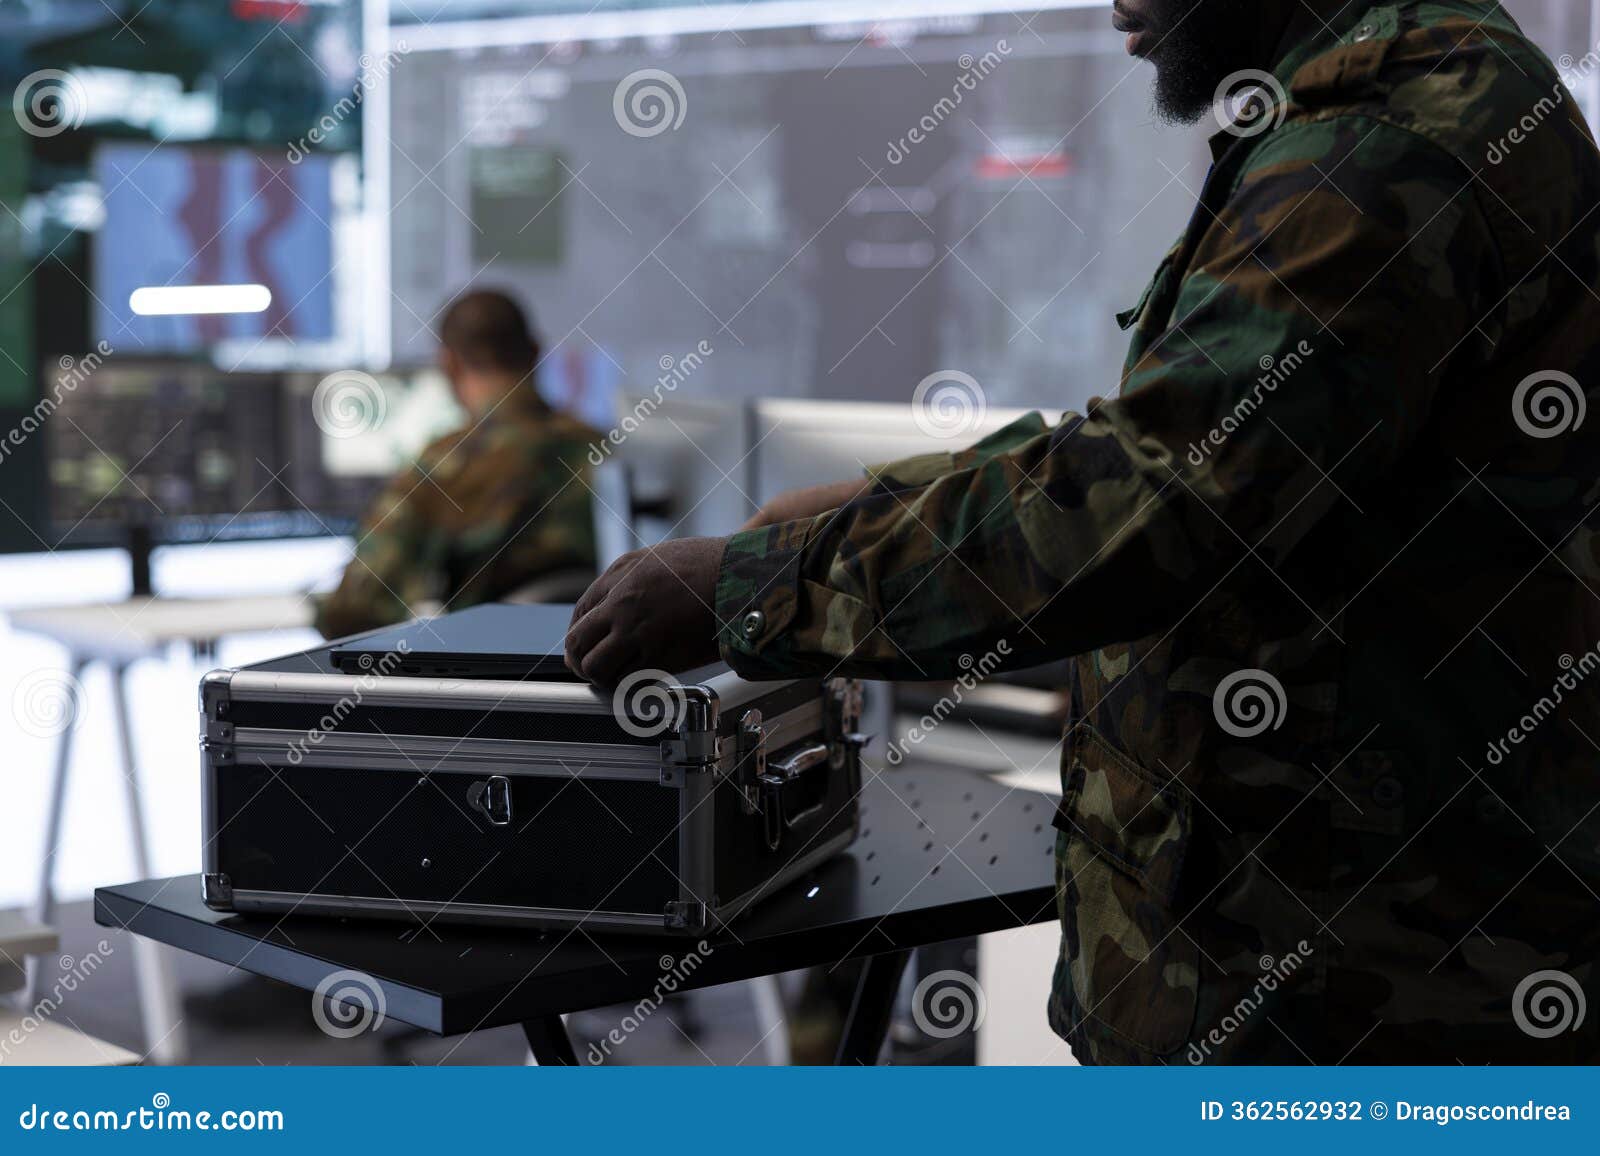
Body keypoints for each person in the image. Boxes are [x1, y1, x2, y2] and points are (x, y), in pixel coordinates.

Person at [565, 0, 1600, 1064]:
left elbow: (1158, 499)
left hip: (1348, 999)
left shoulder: (1379, 145)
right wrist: (870, 507)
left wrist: (753, 586)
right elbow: (1187, 438)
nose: (1115, 4)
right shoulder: (1402, 101)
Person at [316, 290, 601, 639]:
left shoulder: (442, 466)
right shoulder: (604, 450)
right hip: (604, 671)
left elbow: (353, 610)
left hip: (492, 675)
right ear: (535, 353)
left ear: (449, 364)